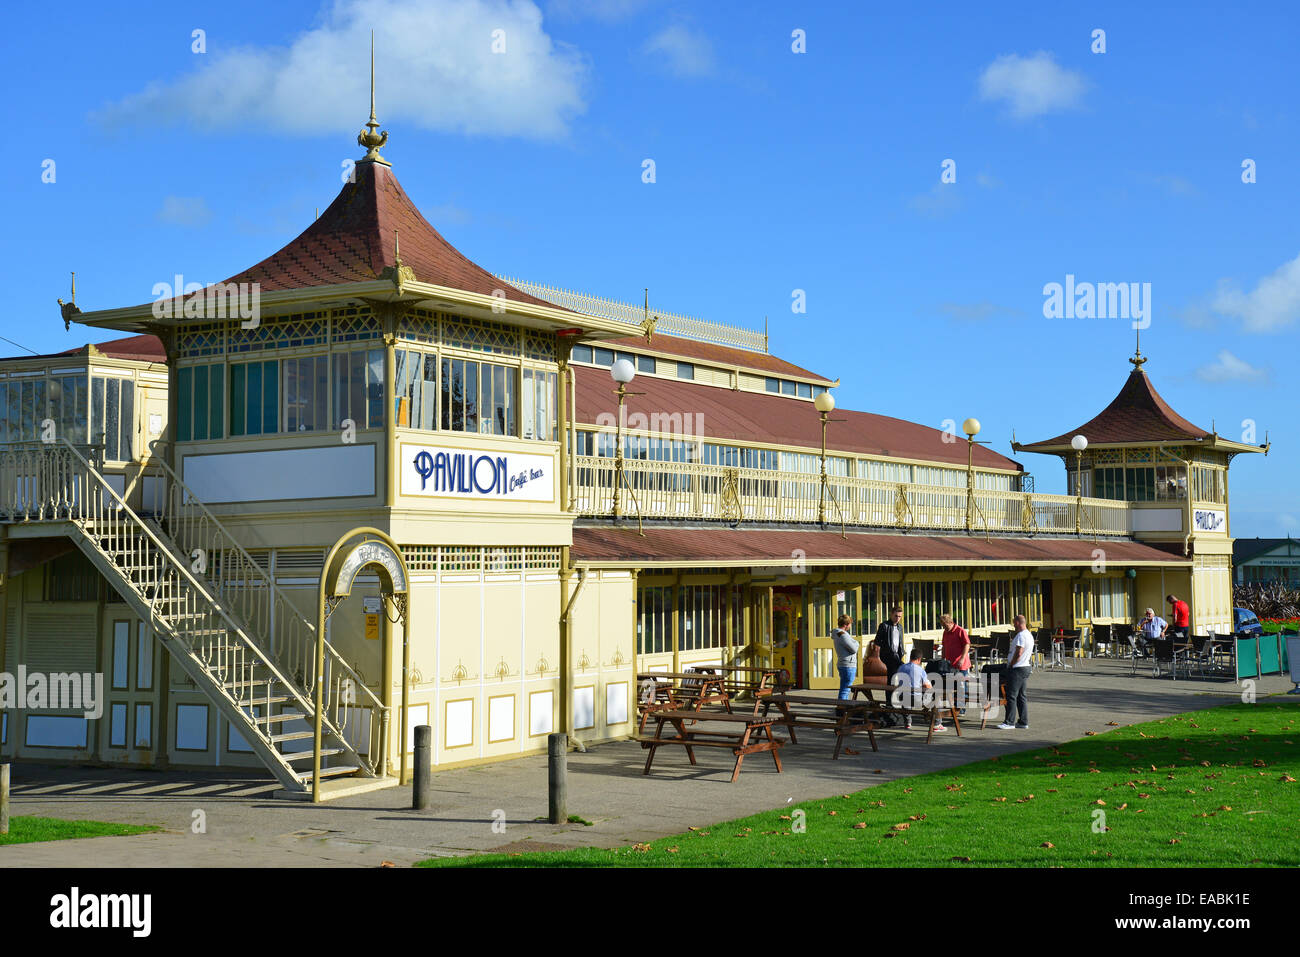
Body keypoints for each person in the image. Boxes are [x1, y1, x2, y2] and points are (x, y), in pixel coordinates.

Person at [893, 648, 946, 732]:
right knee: (937, 698)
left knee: (905, 695)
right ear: (919, 659)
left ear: (910, 657)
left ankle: (907, 722)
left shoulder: (901, 668)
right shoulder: (920, 670)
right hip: (917, 700)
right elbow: (927, 685)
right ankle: (937, 724)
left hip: (903, 699)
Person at [996, 614, 1034, 730]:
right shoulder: (1029, 635)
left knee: (1011, 695)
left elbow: (1019, 652)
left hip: (1018, 668)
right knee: (1021, 696)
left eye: (1014, 623)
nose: (1013, 625)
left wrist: (1011, 664)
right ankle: (1023, 722)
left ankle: (1009, 722)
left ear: (1018, 622)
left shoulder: (1021, 636)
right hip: (1025, 667)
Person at [939, 613, 971, 716]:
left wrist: (962, 658)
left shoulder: (960, 631)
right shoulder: (945, 632)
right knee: (951, 686)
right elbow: (944, 646)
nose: (944, 628)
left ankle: (961, 709)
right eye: (943, 626)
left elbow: (967, 645)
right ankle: (954, 706)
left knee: (961, 687)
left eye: (945, 625)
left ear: (951, 622)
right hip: (949, 664)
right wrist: (943, 659)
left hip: (960, 664)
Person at [831, 614, 859, 701]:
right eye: (850, 624)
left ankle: (842, 707)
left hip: (843, 663)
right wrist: (857, 643)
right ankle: (841, 709)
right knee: (845, 689)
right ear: (846, 625)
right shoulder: (842, 634)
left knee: (844, 688)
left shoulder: (838, 633)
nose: (850, 626)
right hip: (848, 664)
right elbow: (854, 648)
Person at [874, 605, 906, 678]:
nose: (898, 618)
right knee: (898, 671)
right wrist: (886, 648)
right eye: (896, 616)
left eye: (900, 617)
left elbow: (900, 642)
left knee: (894, 675)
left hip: (897, 655)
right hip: (887, 655)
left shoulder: (900, 627)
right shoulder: (884, 625)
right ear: (891, 614)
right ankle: (890, 688)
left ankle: (891, 688)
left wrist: (901, 652)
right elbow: (877, 641)